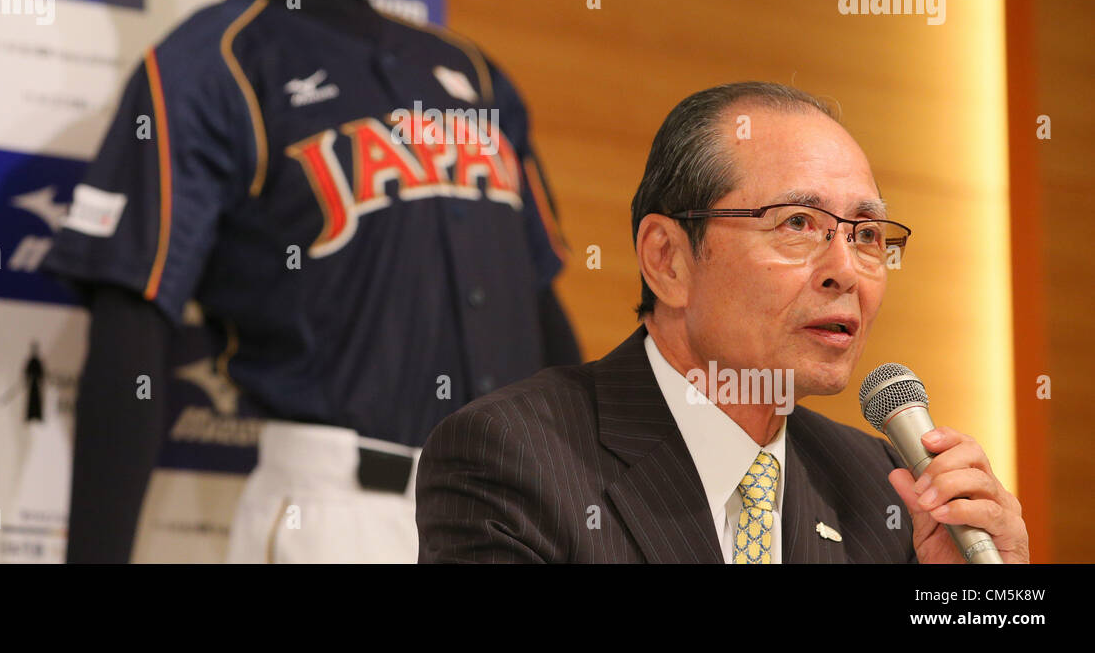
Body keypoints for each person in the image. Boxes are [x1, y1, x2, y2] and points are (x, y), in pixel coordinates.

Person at [42, 0, 579, 564]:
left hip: (515, 517)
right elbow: (130, 333)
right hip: (344, 518)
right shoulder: (212, 65)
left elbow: (541, 314)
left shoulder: (473, 75)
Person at [416, 82, 1029, 563]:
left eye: (866, 235)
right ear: (668, 260)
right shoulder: (513, 455)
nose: (846, 270)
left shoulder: (885, 494)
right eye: (797, 224)